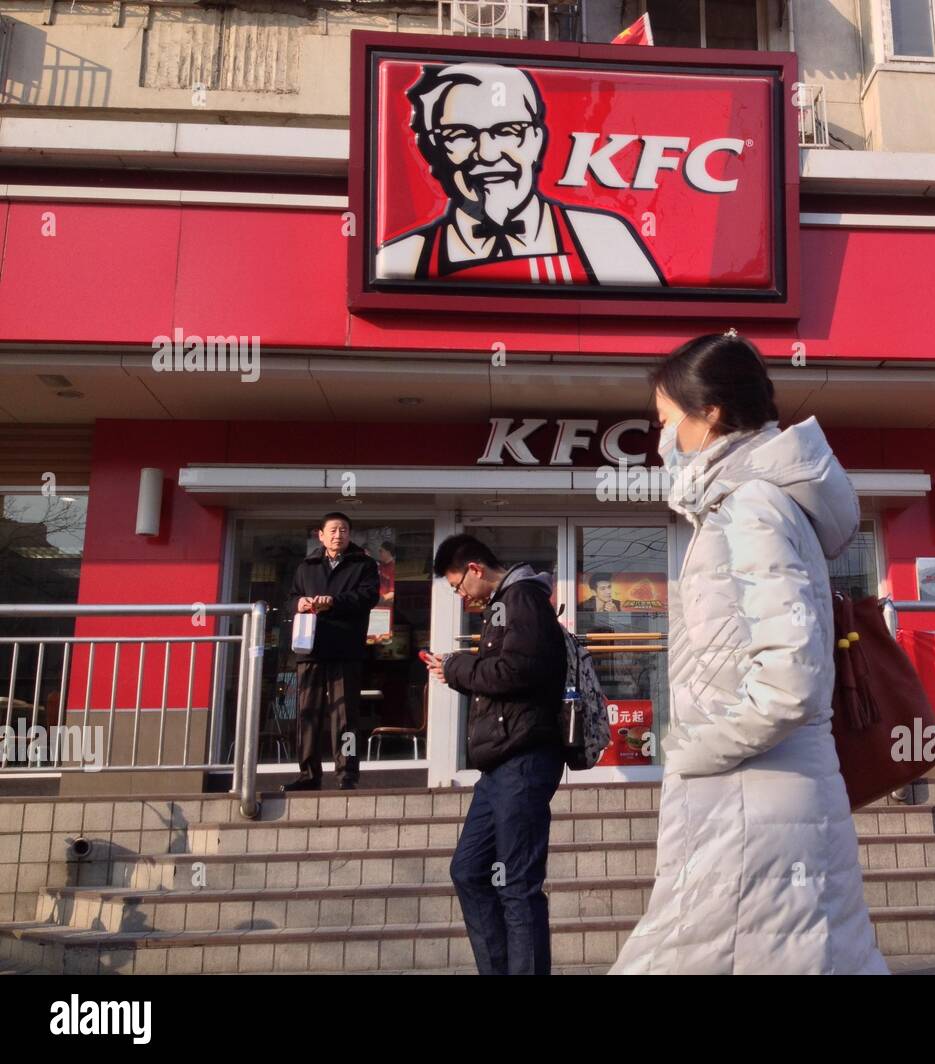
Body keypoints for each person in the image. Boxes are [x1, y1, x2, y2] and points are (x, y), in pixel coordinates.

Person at [608, 331, 890, 975]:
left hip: (753, 810)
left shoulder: (752, 509)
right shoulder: (751, 506)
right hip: (761, 803)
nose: (662, 441)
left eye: (666, 421)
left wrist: (695, 748)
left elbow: (792, 676)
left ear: (709, 414)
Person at [377, 62, 664, 287]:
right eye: (460, 135)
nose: (487, 154)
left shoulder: (603, 240)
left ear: (537, 139)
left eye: (507, 131)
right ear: (433, 149)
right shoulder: (403, 258)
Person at [426, 534, 568, 975]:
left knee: (518, 884)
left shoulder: (522, 598)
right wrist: (459, 668)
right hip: (500, 765)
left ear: (474, 569)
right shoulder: (504, 607)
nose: (459, 595)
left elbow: (519, 671)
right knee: (468, 870)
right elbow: (506, 670)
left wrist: (455, 667)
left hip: (524, 760)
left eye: (457, 586)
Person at [283, 512, 380, 792]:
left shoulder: (364, 564)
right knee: (308, 713)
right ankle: (308, 775)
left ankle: (347, 774)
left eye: (344, 530)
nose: (339, 535)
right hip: (310, 648)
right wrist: (299, 604)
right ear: (321, 535)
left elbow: (368, 596)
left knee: (345, 715)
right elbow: (290, 597)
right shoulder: (307, 566)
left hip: (345, 648)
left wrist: (334, 602)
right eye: (334, 530)